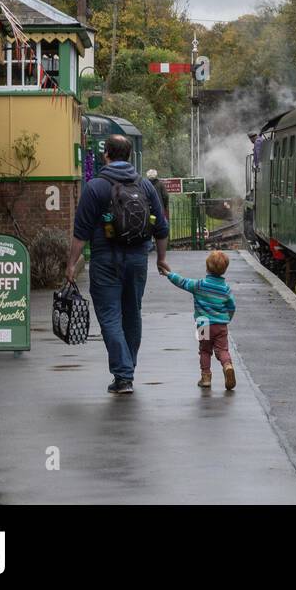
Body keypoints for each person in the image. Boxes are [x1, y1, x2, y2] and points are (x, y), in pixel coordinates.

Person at [66, 134, 169, 395]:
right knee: (132, 313)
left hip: (105, 260)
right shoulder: (145, 185)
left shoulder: (95, 187)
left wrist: (71, 264)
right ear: (130, 156)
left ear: (106, 155)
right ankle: (128, 368)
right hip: (137, 260)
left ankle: (123, 375)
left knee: (110, 316)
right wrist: (161, 258)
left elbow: (81, 233)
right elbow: (161, 228)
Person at [161, 250, 236, 390]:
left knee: (205, 350)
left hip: (202, 323)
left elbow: (182, 282)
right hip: (220, 325)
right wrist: (227, 319)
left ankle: (206, 377)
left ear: (207, 267)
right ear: (224, 270)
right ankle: (227, 365)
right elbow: (232, 307)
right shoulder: (226, 290)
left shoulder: (199, 285)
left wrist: (168, 274)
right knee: (222, 350)